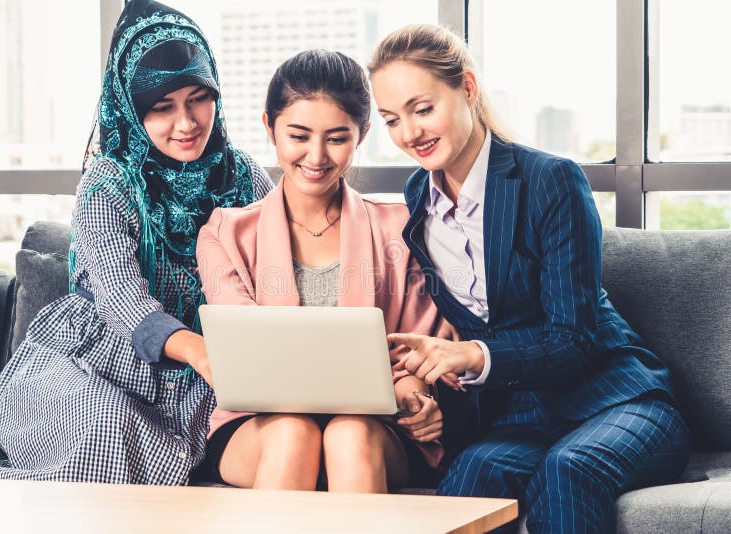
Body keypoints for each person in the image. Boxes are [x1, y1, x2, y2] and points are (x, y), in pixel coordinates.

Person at [368, 24, 691, 532]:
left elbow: (574, 339)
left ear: (467, 89)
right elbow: (477, 320)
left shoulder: (550, 179)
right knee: (470, 475)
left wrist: (475, 355)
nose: (409, 134)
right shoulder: (418, 197)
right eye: (391, 120)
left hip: (615, 399)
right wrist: (432, 376)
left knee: (568, 470)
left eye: (422, 109)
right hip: (520, 419)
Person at [0, 0, 272, 484]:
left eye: (198, 98)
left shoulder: (245, 178)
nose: (186, 123)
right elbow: (121, 295)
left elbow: (281, 273)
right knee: (104, 425)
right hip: (94, 361)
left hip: (205, 376)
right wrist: (202, 352)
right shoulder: (108, 184)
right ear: (131, 109)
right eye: (162, 107)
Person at [195, 50, 444, 493]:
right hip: (261, 425)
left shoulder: (400, 229)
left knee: (349, 433)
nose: (316, 155)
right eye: (298, 135)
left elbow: (414, 352)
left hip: (375, 426)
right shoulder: (226, 233)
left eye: (336, 138)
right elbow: (245, 360)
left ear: (362, 133)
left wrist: (416, 398)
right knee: (293, 432)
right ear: (269, 127)